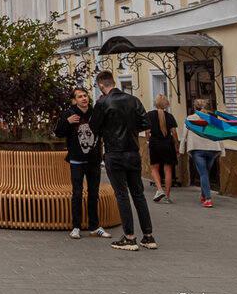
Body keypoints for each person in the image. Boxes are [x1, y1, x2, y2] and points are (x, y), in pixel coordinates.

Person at [90, 71, 156, 251]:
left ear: (101, 86)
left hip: (115, 153)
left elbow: (93, 127)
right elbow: (146, 123)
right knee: (138, 194)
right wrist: (130, 130)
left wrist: (109, 128)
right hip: (133, 152)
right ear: (113, 82)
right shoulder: (133, 100)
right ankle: (148, 236)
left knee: (121, 194)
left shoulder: (103, 103)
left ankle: (129, 237)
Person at [54, 86, 110, 240]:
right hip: (77, 160)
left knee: (94, 194)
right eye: (80, 96)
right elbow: (58, 132)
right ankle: (76, 227)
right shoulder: (70, 114)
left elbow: (104, 130)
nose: (84, 98)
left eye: (85, 96)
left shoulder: (94, 113)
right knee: (77, 194)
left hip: (93, 160)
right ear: (74, 100)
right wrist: (67, 122)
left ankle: (94, 226)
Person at [180, 98, 225, 208]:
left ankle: (208, 199)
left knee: (203, 174)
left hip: (198, 150)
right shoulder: (212, 119)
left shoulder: (190, 119)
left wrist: (181, 150)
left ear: (194, 108)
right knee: (206, 174)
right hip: (213, 150)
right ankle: (203, 195)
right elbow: (219, 134)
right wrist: (222, 150)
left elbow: (183, 135)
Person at [145, 94, 179, 204]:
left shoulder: (150, 115)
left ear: (155, 103)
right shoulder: (170, 116)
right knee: (168, 169)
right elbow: (174, 133)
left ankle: (159, 189)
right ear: (166, 104)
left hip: (155, 143)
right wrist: (176, 146)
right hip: (168, 144)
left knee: (155, 168)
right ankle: (167, 196)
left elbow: (147, 131)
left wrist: (148, 140)